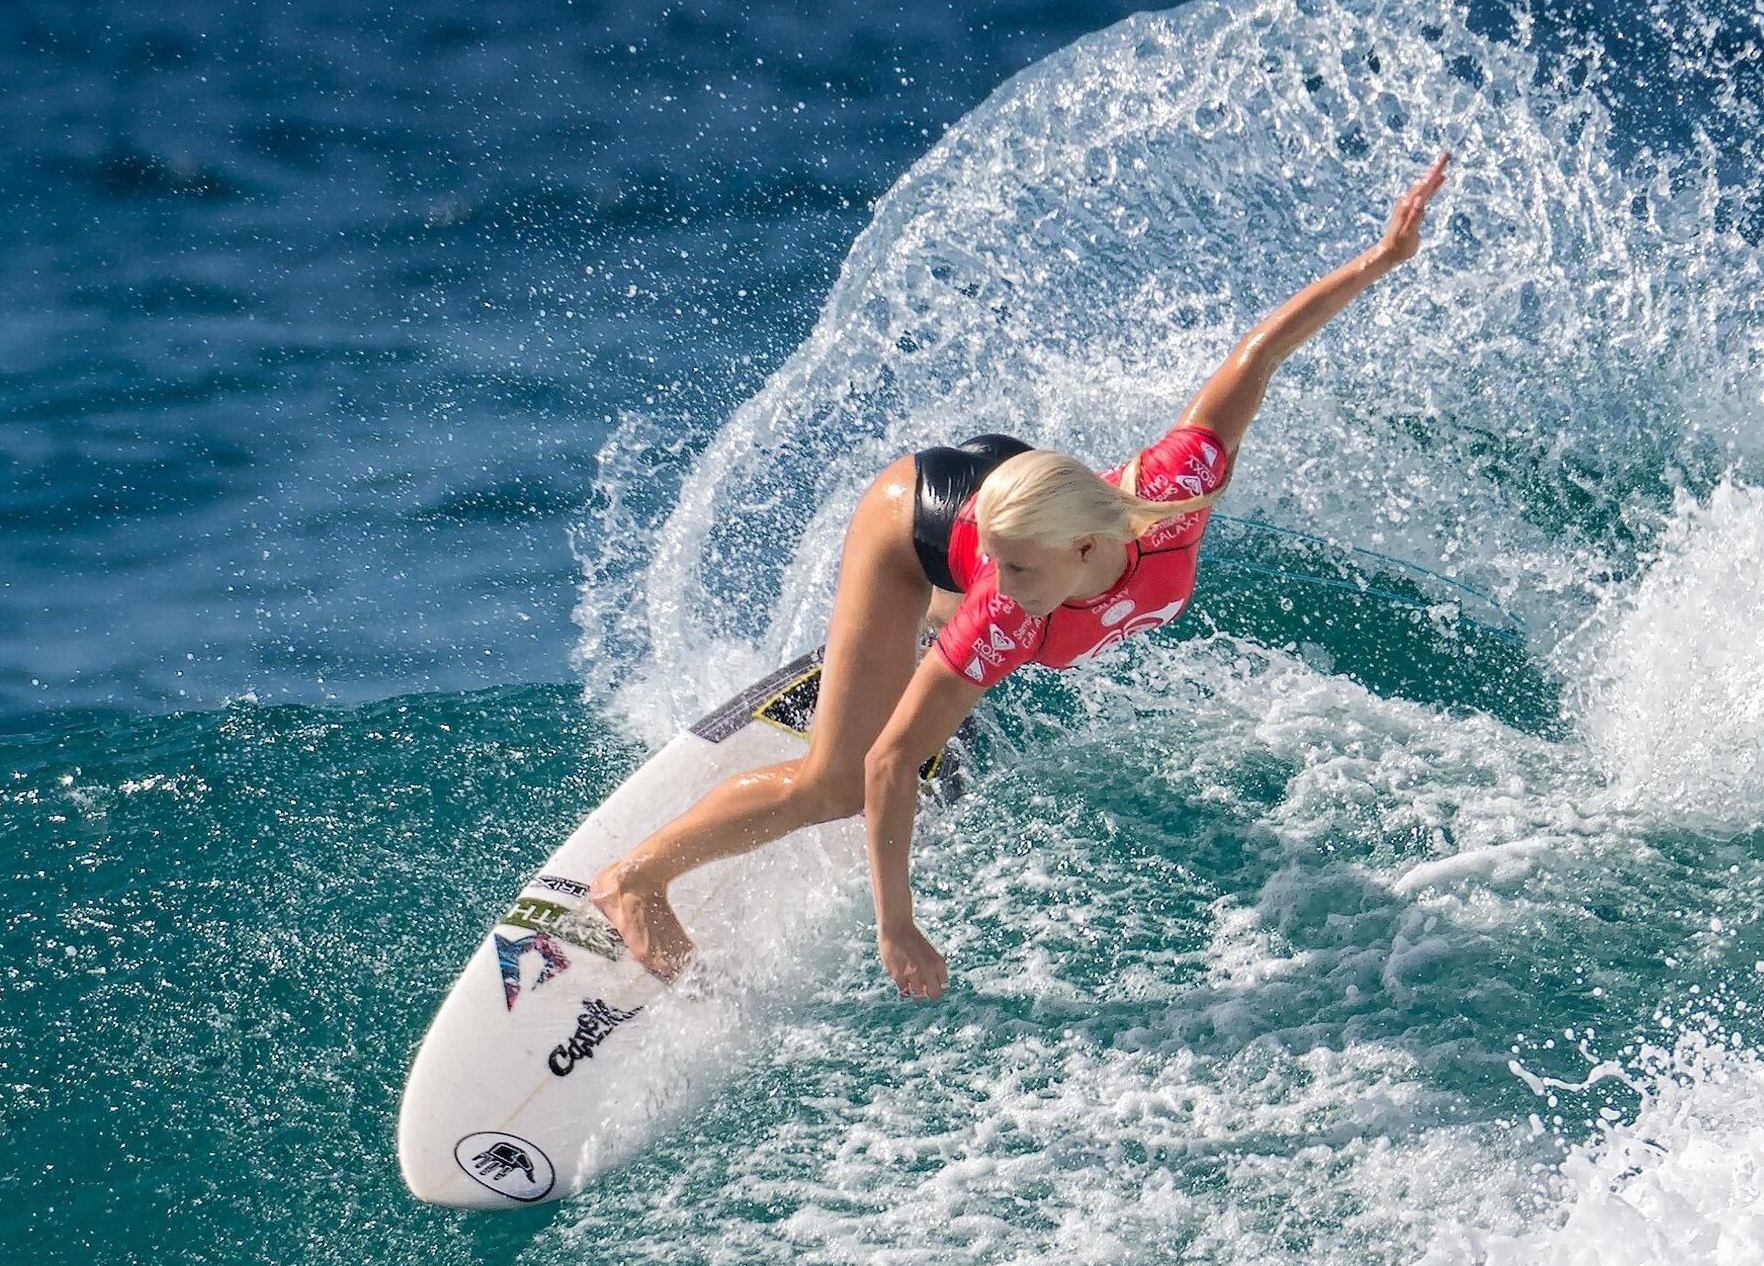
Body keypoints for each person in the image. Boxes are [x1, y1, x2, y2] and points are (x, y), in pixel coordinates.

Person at [592, 153, 1451, 1001]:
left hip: (1016, 491)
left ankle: (931, 631)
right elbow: (891, 766)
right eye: (997, 575)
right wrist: (898, 922)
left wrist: (1383, 259)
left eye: (1015, 572)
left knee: (976, 615)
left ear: (1088, 551)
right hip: (914, 521)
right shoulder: (1011, 607)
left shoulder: (1175, 490)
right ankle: (637, 878)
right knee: (834, 781)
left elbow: (1260, 355)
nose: (1003, 587)